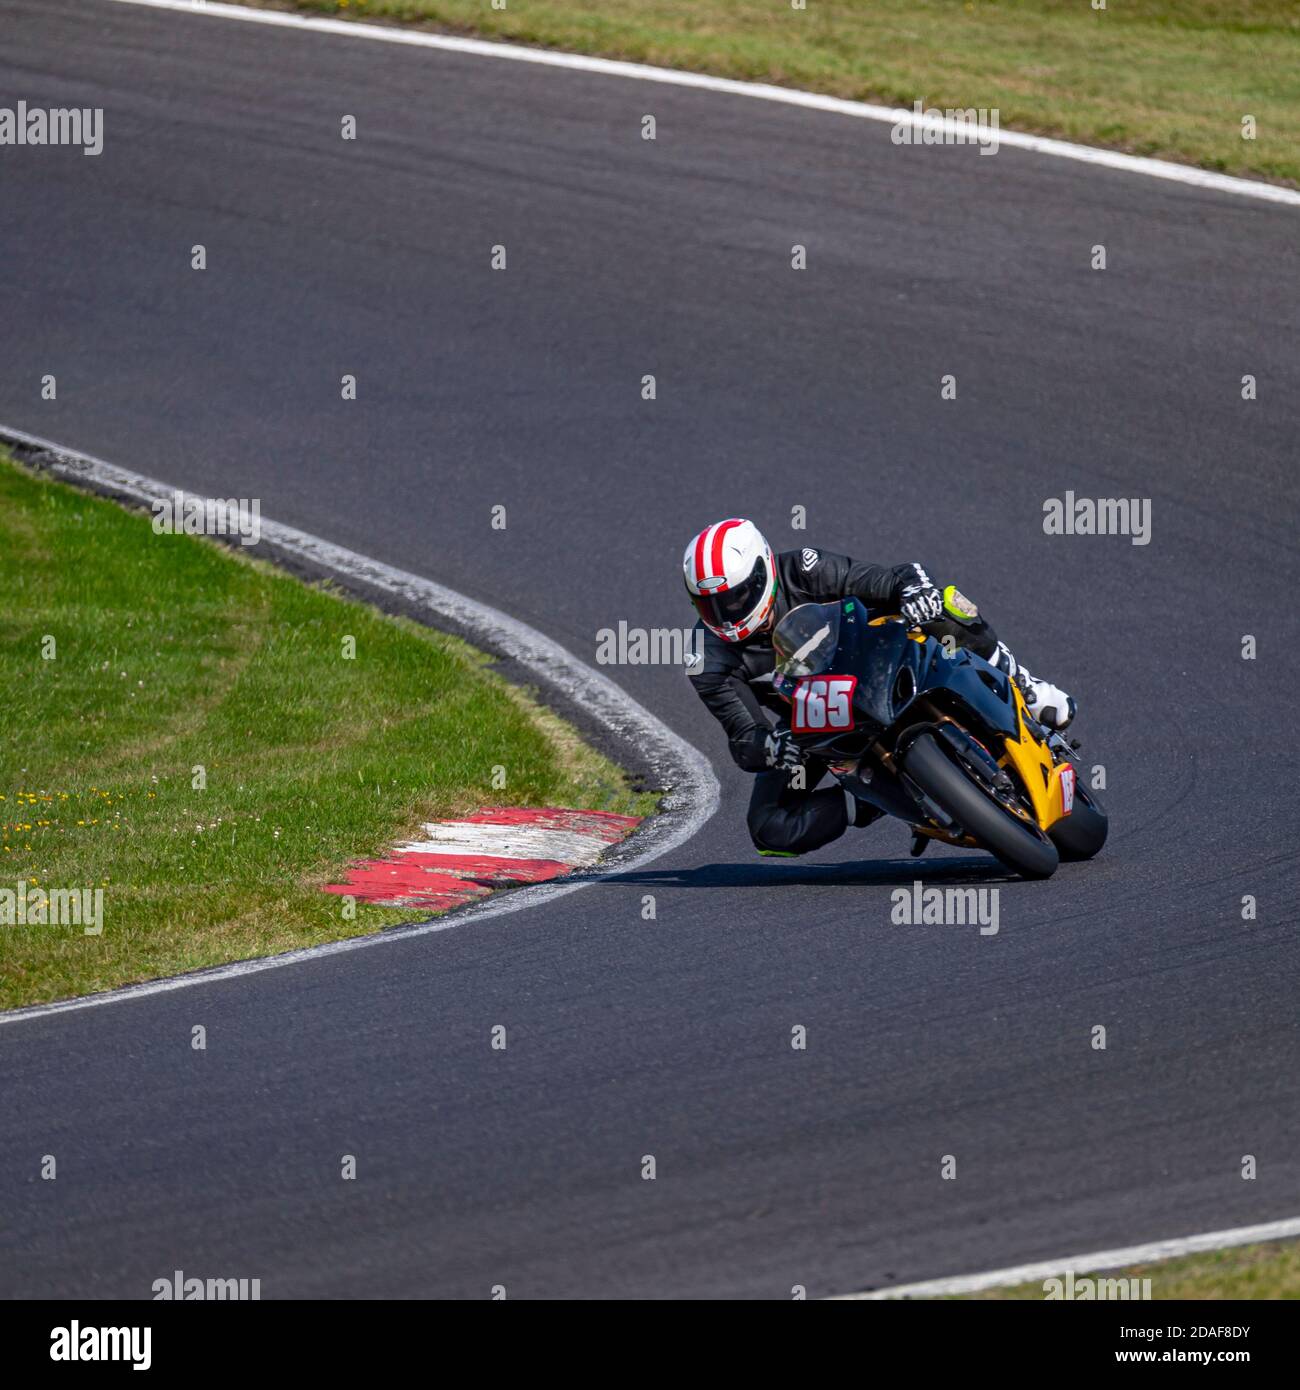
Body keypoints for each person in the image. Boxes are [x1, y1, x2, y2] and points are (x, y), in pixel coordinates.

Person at [682, 517, 1075, 857]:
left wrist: (914, 593)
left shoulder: (803, 570)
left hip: (877, 657)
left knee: (944, 603)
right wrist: (770, 747)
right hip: (815, 723)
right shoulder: (706, 658)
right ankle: (877, 799)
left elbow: (894, 578)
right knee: (769, 830)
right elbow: (744, 736)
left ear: (763, 571)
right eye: (709, 605)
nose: (725, 615)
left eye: (735, 597)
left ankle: (1024, 684)